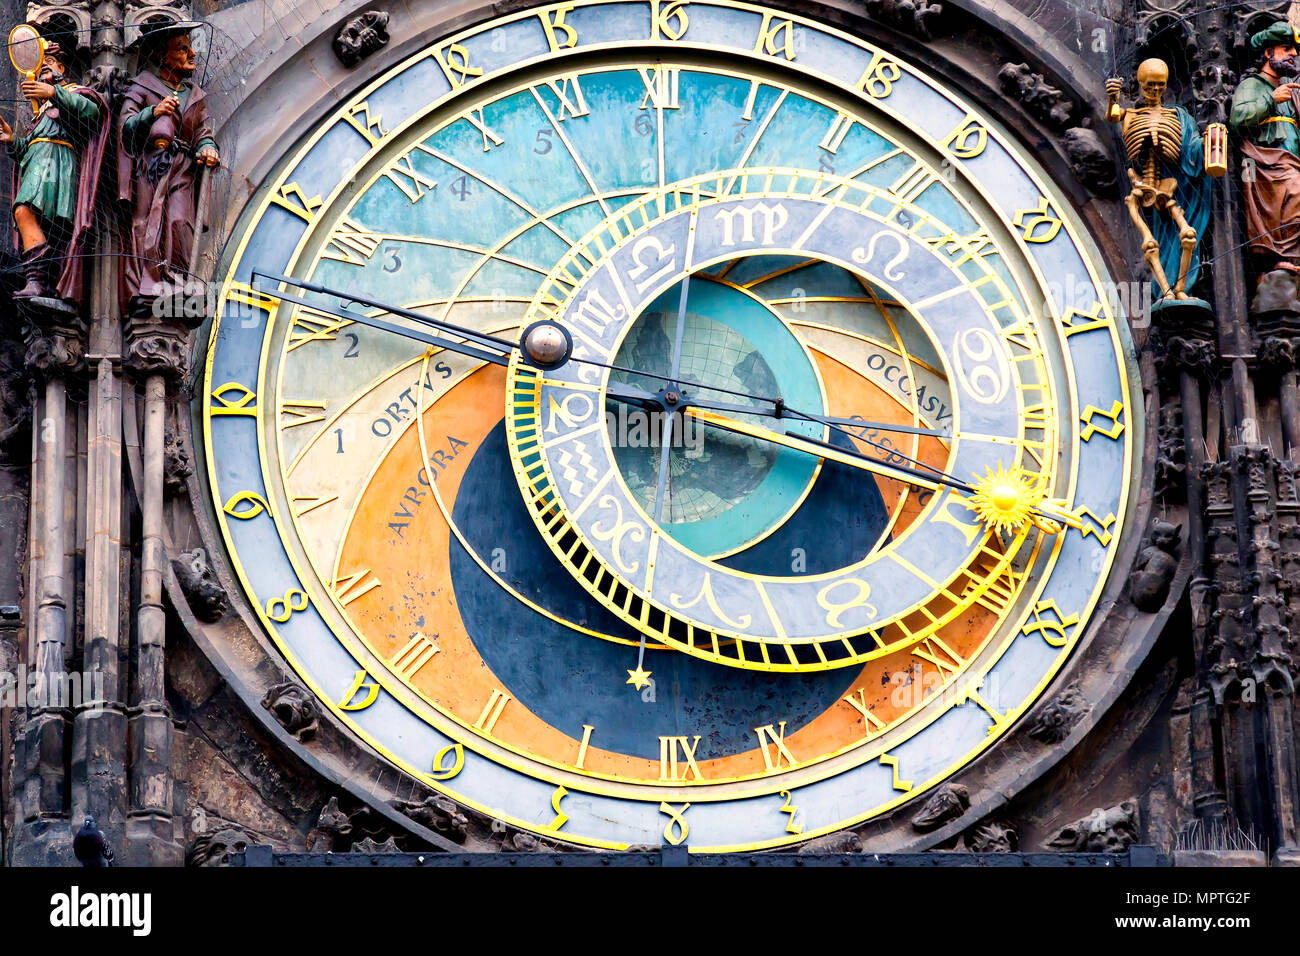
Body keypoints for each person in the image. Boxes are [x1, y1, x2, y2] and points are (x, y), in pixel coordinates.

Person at [117, 20, 219, 315]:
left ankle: (176, 279)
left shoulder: (194, 94)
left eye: (190, 48)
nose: (192, 55)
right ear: (162, 55)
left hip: (183, 169)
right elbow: (125, 128)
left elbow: (203, 131)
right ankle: (147, 283)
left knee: (178, 223)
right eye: (182, 49)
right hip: (150, 166)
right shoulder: (143, 86)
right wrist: (152, 112)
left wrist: (207, 148)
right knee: (146, 223)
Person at [0, 42, 107, 304]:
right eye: (39, 67)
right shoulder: (41, 113)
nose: (42, 69)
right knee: (35, 219)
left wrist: (53, 92)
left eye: (48, 62)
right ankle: (42, 282)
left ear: (61, 67)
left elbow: (92, 113)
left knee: (24, 211)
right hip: (40, 162)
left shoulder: (73, 93)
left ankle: (39, 280)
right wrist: (13, 141)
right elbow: (31, 148)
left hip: (55, 164)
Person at [1229, 20, 1300, 275]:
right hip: (1266, 166)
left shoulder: (1292, 92)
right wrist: (1272, 99)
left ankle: (1293, 259)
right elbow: (1238, 120)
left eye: (1295, 51)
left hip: (1291, 162)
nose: (1293, 55)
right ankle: (1282, 259)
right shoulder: (1253, 85)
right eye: (1286, 48)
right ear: (1268, 53)